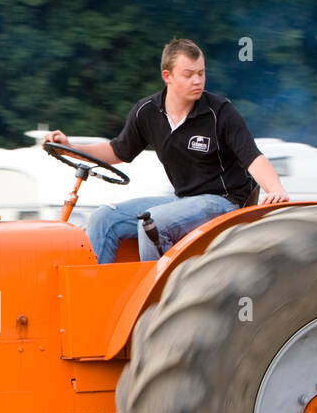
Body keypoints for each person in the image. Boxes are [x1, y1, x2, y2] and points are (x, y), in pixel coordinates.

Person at [45, 37, 290, 264]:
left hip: (225, 202)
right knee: (103, 218)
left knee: (152, 222)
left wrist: (275, 190)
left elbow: (253, 157)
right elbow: (116, 151)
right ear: (168, 76)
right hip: (183, 199)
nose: (197, 81)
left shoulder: (219, 112)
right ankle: (93, 301)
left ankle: (152, 303)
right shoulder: (147, 112)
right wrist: (69, 148)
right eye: (189, 74)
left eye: (201, 73)